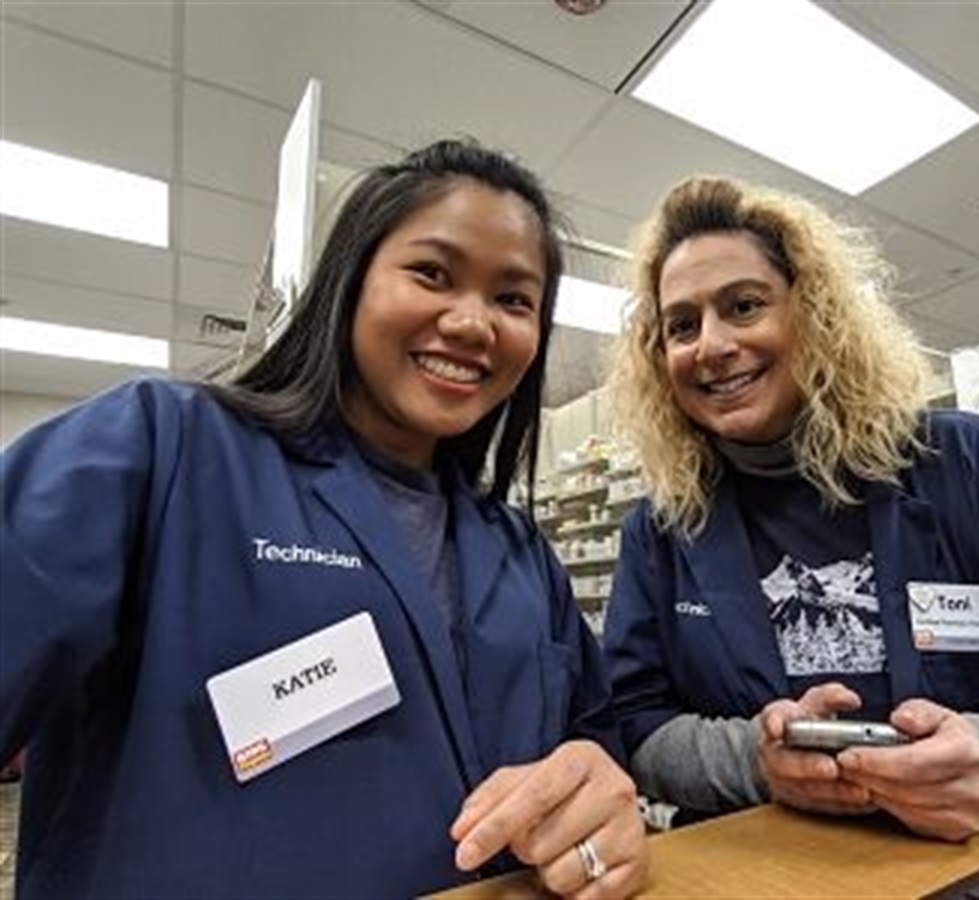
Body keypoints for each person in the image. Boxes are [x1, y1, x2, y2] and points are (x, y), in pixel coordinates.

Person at [0, 139, 648, 899]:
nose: (474, 323)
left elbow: (591, 748)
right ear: (350, 282)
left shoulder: (519, 552)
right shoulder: (160, 449)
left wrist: (603, 801)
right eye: (431, 273)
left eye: (513, 299)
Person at [601, 175, 979, 841]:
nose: (711, 344)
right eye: (681, 325)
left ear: (813, 312)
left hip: (978, 862)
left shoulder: (972, 465)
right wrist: (759, 762)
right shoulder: (663, 528)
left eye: (745, 305)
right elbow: (633, 723)